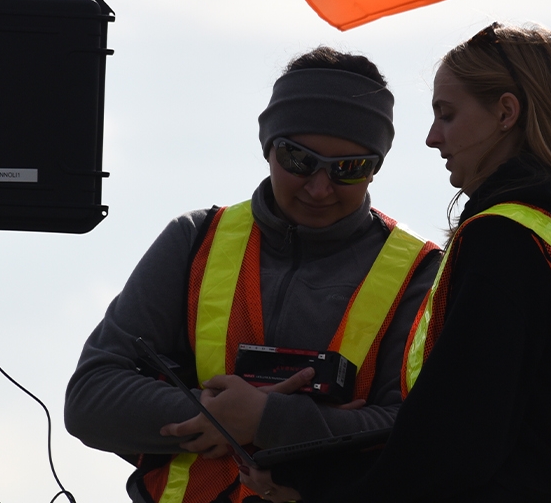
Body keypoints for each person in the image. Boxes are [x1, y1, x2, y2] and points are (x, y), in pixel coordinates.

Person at [64, 46, 442, 503]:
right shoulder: (194, 240)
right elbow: (89, 398)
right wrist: (220, 414)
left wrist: (267, 419)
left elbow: (423, 434)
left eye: (349, 169)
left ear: (375, 168)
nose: (319, 187)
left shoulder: (420, 272)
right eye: (299, 159)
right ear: (268, 148)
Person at [262, 23, 551, 503]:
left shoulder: (502, 238)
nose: (432, 138)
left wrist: (314, 484)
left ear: (506, 112)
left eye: (446, 115)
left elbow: (455, 442)